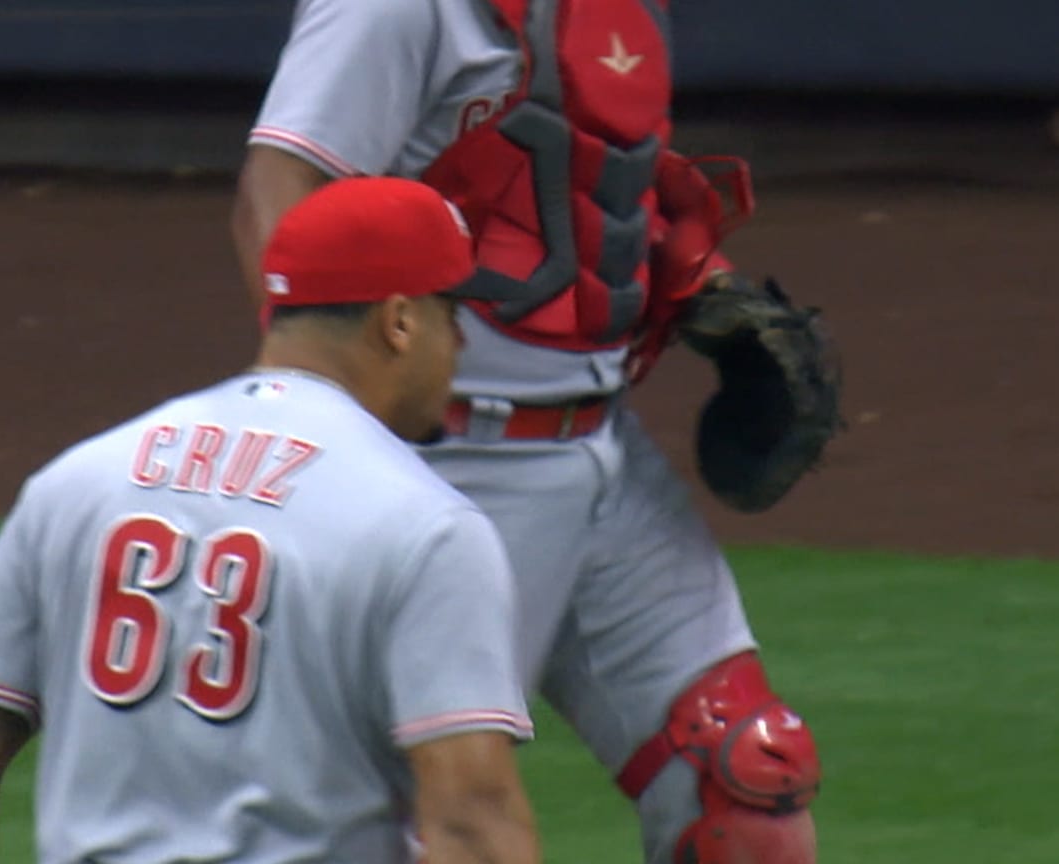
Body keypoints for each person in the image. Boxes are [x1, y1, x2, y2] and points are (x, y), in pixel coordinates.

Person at [231, 2, 839, 862]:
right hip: (439, 468)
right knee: (399, 830)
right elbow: (278, 195)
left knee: (745, 787)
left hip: (603, 457)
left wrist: (694, 282)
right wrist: (326, 428)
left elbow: (576, 188)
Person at [0, 177, 542, 864]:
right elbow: (471, 824)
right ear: (398, 322)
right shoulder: (426, 526)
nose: (460, 344)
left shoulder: (78, 482)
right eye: (452, 313)